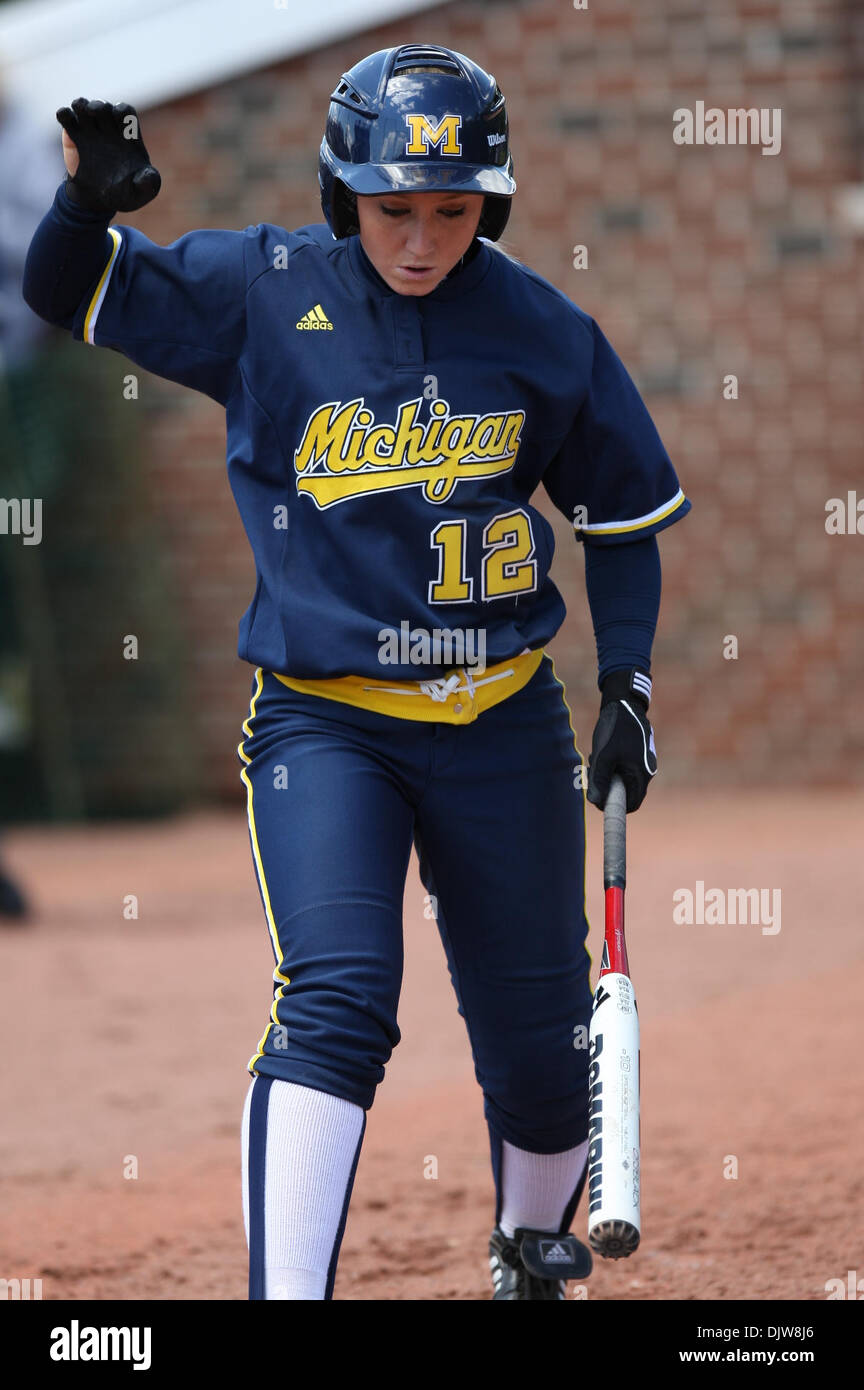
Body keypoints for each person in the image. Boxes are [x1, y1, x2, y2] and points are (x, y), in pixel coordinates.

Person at [22, 43, 690, 1301]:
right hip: (326, 724)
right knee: (338, 996)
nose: (424, 236)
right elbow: (65, 292)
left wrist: (631, 689)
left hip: (502, 719)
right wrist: (78, 206)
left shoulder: (545, 330)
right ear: (343, 191)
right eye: (395, 208)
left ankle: (534, 1253)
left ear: (489, 202)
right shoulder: (261, 290)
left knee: (546, 1058)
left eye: (453, 208)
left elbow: (622, 522)